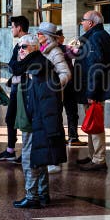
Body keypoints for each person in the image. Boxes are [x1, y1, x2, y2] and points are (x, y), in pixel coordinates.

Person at [10, 34, 66, 208]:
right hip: (30, 118)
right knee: (38, 157)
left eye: (24, 47)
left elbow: (47, 98)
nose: (20, 50)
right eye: (19, 47)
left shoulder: (38, 68)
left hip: (34, 120)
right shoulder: (30, 66)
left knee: (30, 158)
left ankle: (32, 195)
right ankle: (42, 193)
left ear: (34, 48)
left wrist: (43, 123)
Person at [74, 10, 110, 171]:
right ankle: (93, 155)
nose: (81, 22)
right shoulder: (101, 36)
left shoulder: (95, 38)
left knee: (96, 124)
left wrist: (91, 93)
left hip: (95, 90)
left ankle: (99, 159)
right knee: (92, 123)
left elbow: (95, 68)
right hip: (94, 89)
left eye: (84, 20)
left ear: (92, 23)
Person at [35, 22, 71, 174]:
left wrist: (52, 86)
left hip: (51, 96)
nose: (38, 36)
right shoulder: (42, 50)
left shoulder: (55, 52)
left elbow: (66, 74)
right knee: (45, 127)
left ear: (48, 37)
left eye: (40, 34)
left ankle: (54, 161)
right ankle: (47, 158)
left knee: (53, 127)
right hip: (42, 96)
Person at [0, 15, 29, 163]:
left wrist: (12, 66)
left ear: (19, 28)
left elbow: (17, 66)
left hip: (22, 86)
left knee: (21, 119)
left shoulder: (25, 43)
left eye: (12, 27)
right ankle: (10, 150)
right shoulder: (22, 42)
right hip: (17, 84)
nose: (11, 29)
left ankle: (21, 151)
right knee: (11, 118)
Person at [57, 30, 84, 147]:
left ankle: (59, 138)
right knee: (71, 112)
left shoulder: (45, 50)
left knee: (56, 112)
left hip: (54, 85)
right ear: (57, 37)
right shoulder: (64, 48)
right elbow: (78, 53)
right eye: (62, 36)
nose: (63, 37)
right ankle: (73, 137)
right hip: (68, 84)